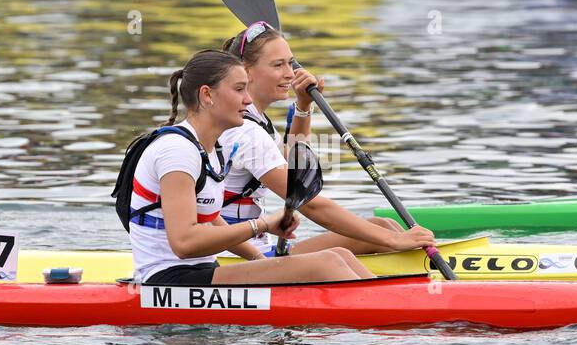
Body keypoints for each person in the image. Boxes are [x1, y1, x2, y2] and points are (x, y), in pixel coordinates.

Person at [124, 49, 373, 285]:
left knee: (341, 254)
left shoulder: (211, 149)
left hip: (202, 270)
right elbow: (184, 243)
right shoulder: (177, 151)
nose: (247, 99)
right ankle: (390, 318)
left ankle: (397, 301)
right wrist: (262, 225)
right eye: (239, 89)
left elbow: (210, 219)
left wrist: (260, 262)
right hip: (168, 279)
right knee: (327, 262)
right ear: (207, 95)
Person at [218, 21, 437, 259]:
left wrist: (303, 106)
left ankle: (420, 270)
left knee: (384, 226)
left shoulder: (256, 122)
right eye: (278, 65)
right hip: (238, 258)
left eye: (290, 63)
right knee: (386, 233)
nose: (290, 74)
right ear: (246, 71)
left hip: (259, 249)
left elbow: (297, 168)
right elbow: (309, 203)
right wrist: (395, 240)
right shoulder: (246, 133)